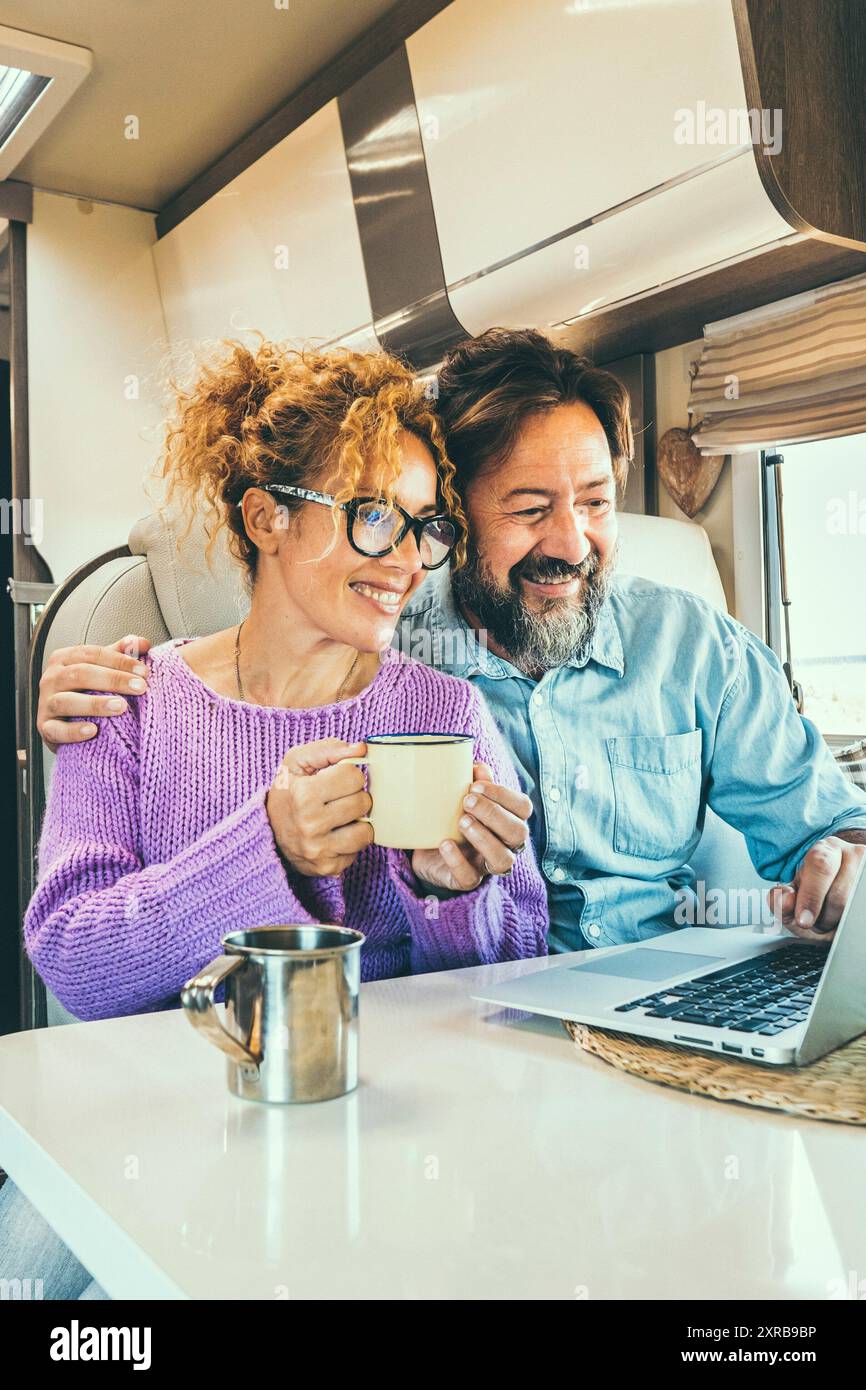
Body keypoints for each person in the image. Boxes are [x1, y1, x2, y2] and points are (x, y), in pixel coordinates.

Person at [7, 338, 548, 1297]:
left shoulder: (446, 716)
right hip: (159, 1113)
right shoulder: (128, 701)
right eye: (374, 517)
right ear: (266, 517)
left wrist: (449, 893)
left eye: (424, 528)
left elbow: (509, 995)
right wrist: (269, 846)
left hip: (391, 1116)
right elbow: (75, 960)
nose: (409, 562)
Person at [40, 329, 866, 954]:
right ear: (461, 519)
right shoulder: (385, 647)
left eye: (597, 502)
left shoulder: (689, 647)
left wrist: (843, 864)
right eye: (531, 508)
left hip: (653, 999)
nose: (572, 544)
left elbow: (832, 830)